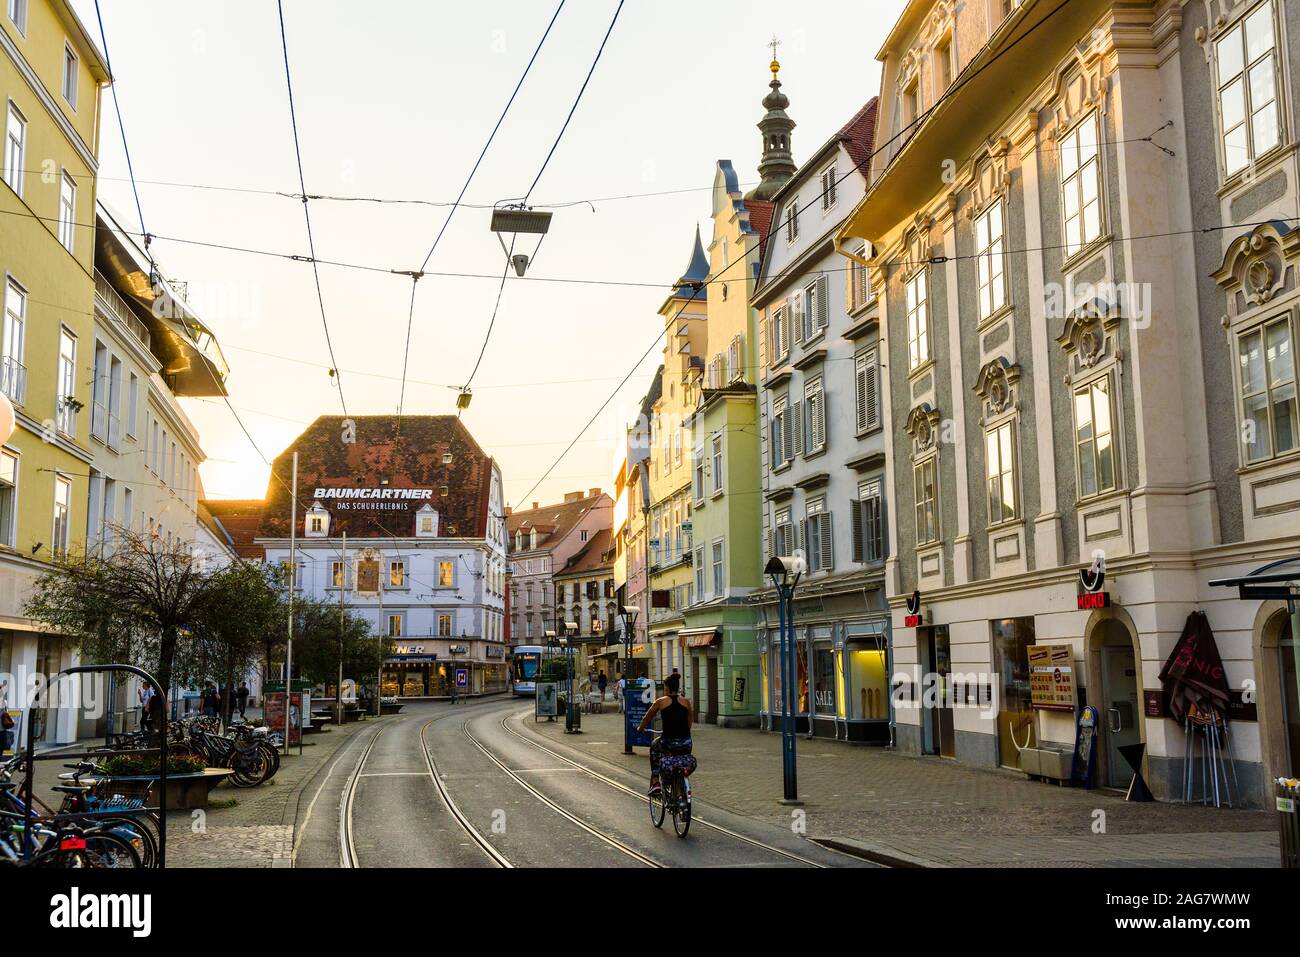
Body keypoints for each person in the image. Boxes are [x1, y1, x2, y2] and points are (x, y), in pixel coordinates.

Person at [636, 672, 692, 795]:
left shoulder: (660, 702)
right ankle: (678, 791)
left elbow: (647, 718)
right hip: (686, 743)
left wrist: (640, 729)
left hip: (669, 742)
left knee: (654, 747)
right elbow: (689, 722)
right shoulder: (686, 702)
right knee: (680, 757)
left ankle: (655, 781)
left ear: (666, 688)